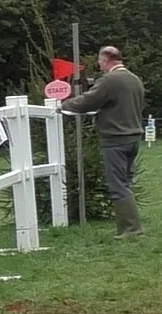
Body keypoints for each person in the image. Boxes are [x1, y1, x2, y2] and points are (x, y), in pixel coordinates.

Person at [60, 46, 148, 238]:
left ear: (106, 60)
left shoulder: (109, 80)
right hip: (133, 137)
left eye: (100, 61)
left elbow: (88, 101)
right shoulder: (135, 79)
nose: (99, 66)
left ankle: (131, 228)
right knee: (125, 182)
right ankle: (126, 227)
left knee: (118, 185)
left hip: (115, 138)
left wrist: (64, 105)